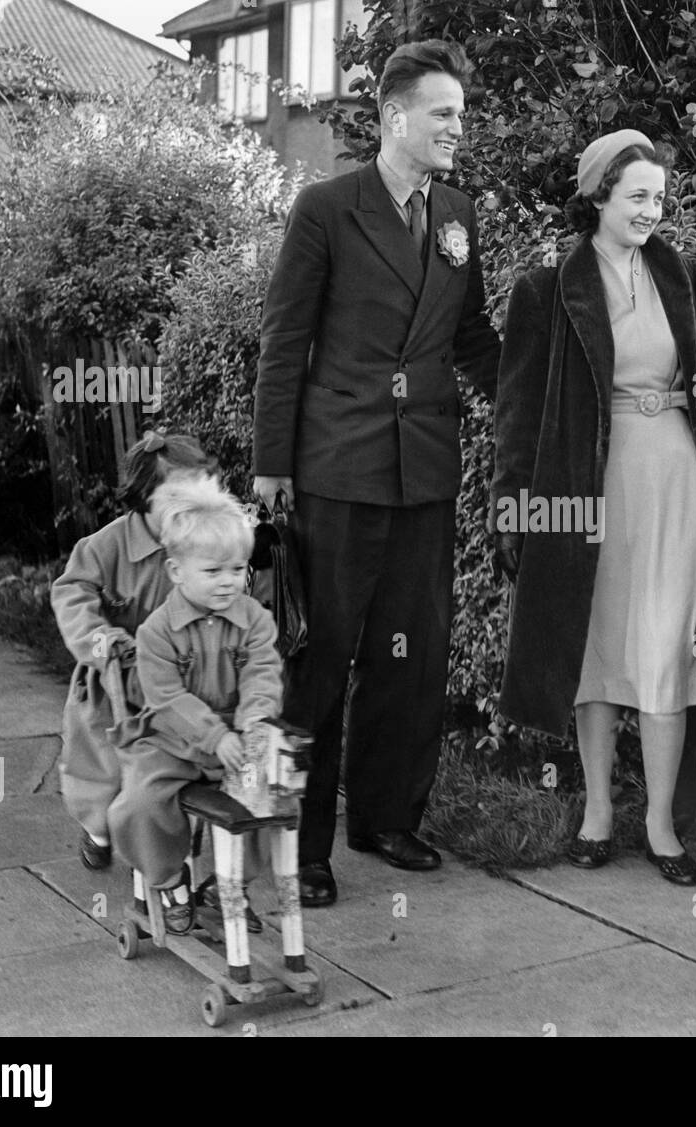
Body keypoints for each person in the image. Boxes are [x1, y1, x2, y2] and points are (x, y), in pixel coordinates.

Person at [252, 39, 502, 905]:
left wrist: (537, 404)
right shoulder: (327, 208)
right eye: (443, 114)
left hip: (424, 471)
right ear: (395, 118)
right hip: (338, 469)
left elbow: (469, 338)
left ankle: (387, 817)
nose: (455, 129)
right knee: (319, 661)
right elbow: (285, 342)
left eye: (460, 115)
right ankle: (301, 842)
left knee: (413, 652)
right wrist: (270, 466)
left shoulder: (461, 213)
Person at [491, 129, 696, 887]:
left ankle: (660, 824)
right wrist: (514, 502)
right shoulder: (546, 289)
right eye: (636, 195)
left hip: (671, 478)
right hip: (585, 483)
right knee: (596, 645)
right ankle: (598, 811)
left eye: (659, 198)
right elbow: (517, 405)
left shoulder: (687, 278)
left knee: (670, 644)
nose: (651, 210)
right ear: (598, 196)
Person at [108, 478, 282, 935]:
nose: (229, 582)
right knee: (140, 803)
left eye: (237, 569)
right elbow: (166, 698)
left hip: (237, 740)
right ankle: (169, 880)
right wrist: (214, 735)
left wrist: (255, 718)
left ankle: (227, 887)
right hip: (173, 741)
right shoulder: (156, 633)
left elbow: (262, 673)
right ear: (176, 571)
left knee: (269, 797)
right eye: (213, 571)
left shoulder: (256, 621)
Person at [51, 432, 217, 872]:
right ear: (145, 497)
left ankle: (154, 837)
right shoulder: (107, 545)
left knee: (158, 768)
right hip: (112, 683)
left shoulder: (201, 545)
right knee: (99, 769)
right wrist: (98, 637)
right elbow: (72, 591)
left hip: (171, 681)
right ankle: (98, 829)